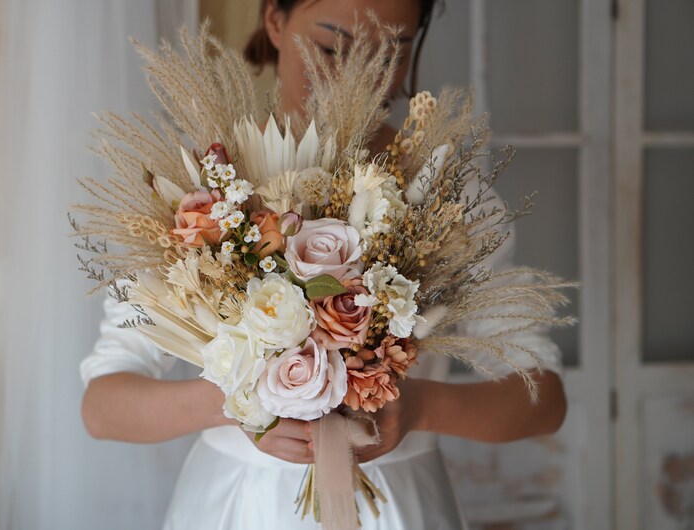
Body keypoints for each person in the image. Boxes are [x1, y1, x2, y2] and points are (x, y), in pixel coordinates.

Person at [79, 1, 568, 528]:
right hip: (237, 508)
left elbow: (543, 400)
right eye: (332, 47)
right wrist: (240, 402)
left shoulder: (450, 201)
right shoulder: (202, 195)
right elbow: (103, 405)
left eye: (392, 53)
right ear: (273, 20)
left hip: (398, 508)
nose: (358, 74)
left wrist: (419, 408)